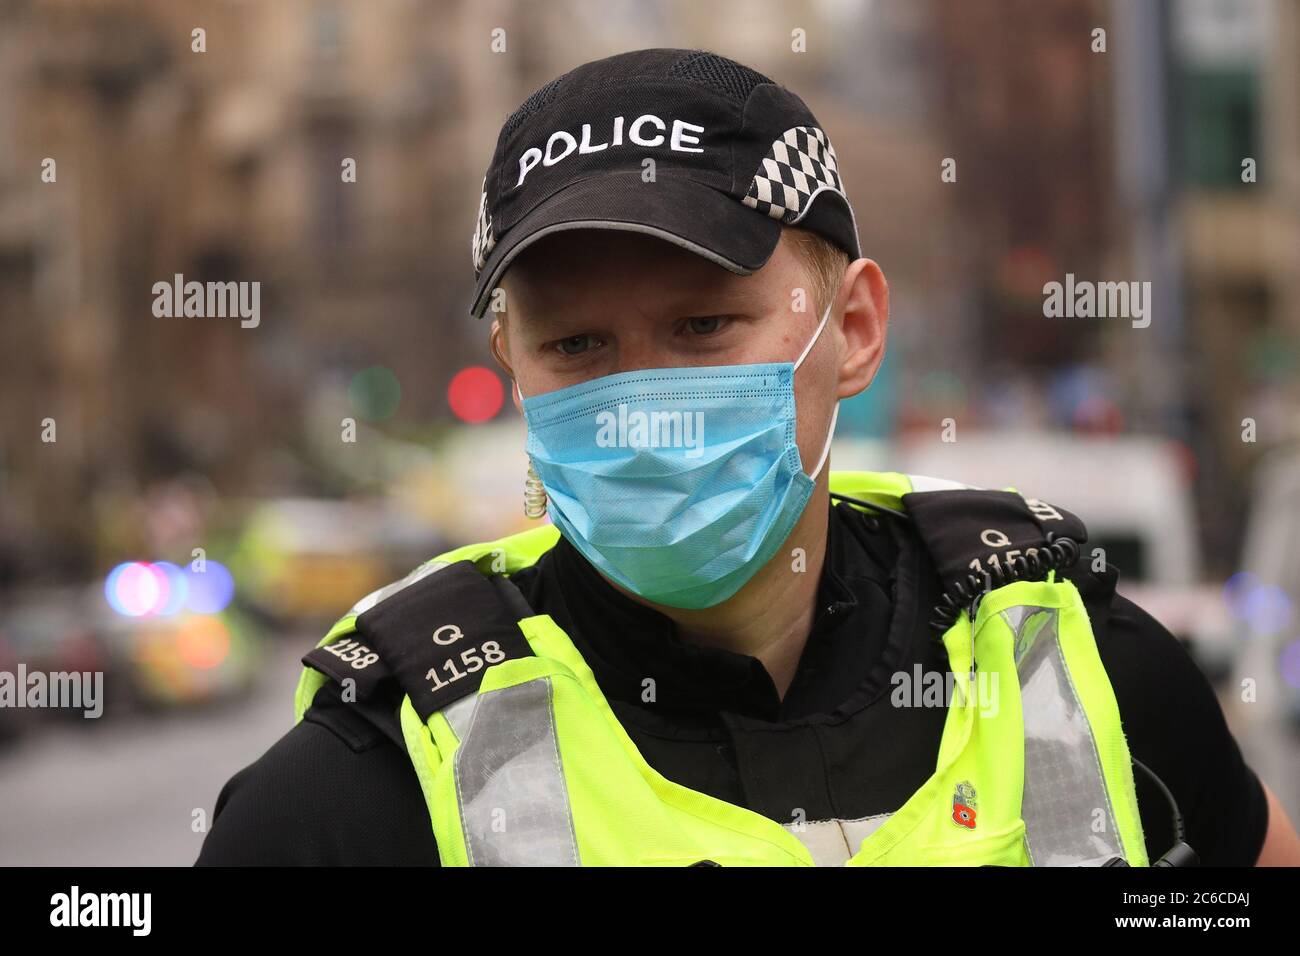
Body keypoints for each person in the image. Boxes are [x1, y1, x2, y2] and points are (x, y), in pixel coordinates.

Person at [197, 48, 1300, 867]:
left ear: (855, 329)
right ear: (512, 362)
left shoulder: (1088, 671)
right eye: (576, 344)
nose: (639, 404)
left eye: (703, 327)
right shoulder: (363, 786)